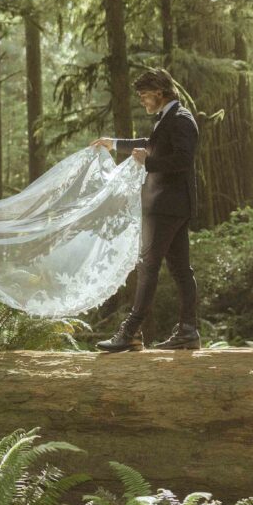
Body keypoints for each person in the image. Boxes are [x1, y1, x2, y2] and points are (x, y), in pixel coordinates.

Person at [91, 69, 200, 352]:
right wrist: (114, 143)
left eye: (144, 95)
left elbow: (183, 160)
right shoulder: (168, 119)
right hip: (169, 205)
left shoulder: (181, 119)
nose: (141, 100)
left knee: (148, 266)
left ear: (160, 93)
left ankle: (131, 332)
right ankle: (188, 332)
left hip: (168, 206)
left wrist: (148, 164)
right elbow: (150, 145)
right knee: (179, 270)